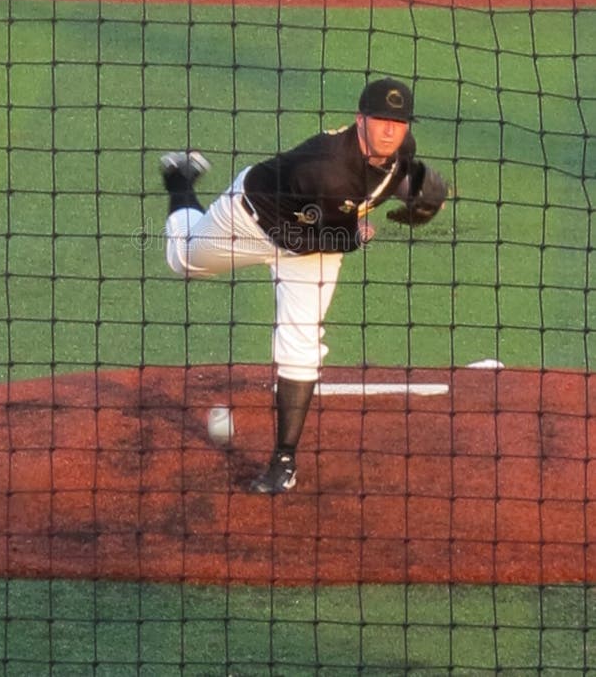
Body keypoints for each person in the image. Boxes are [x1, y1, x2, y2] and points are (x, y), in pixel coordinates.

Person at [160, 77, 448, 494]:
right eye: (382, 120)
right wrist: (355, 236)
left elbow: (394, 176)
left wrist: (417, 192)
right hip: (250, 220)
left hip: (316, 234)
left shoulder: (401, 147)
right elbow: (319, 236)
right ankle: (179, 181)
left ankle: (283, 461)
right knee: (183, 259)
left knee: (302, 341)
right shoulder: (328, 168)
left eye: (399, 121)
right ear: (360, 119)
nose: (391, 130)